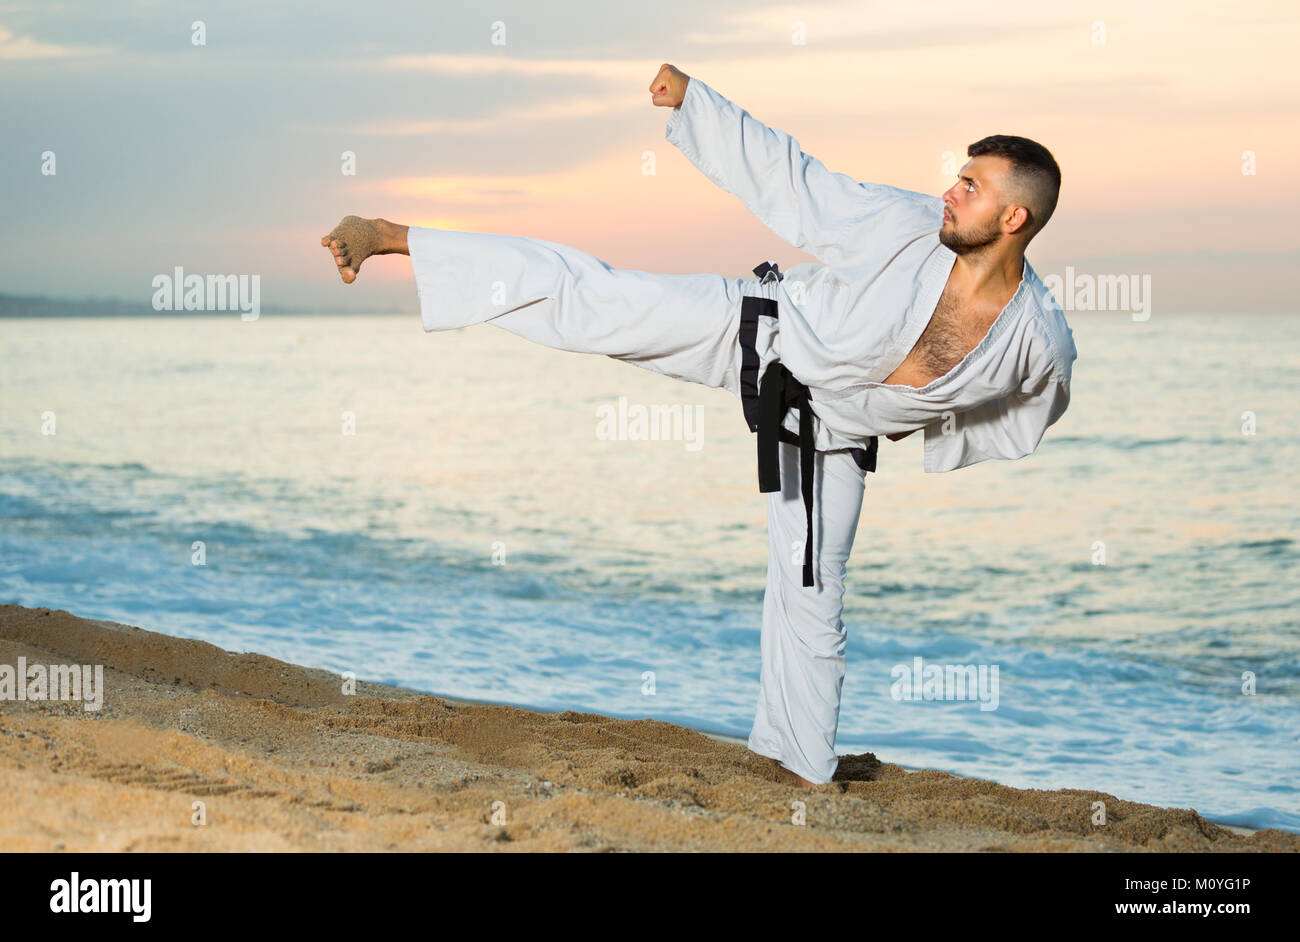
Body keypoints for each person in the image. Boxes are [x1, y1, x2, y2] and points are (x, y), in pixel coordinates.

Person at [319, 63, 1077, 788]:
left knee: (813, 588)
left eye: (970, 186)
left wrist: (913, 423)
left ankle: (798, 763)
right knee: (597, 299)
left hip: (831, 433)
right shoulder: (905, 224)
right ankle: (394, 235)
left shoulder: (1039, 338)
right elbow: (795, 180)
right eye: (957, 176)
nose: (949, 190)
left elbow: (1020, 410)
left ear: (1014, 217)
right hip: (756, 330)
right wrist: (692, 103)